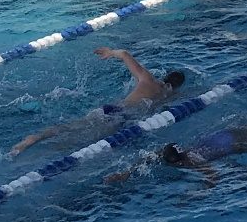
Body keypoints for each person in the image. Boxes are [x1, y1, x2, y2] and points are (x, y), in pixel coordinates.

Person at [11, 49, 186, 154]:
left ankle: (37, 137)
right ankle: (42, 152)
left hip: (110, 109)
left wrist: (111, 53)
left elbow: (124, 54)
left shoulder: (148, 80)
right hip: (120, 118)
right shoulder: (170, 96)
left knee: (71, 127)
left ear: (165, 77)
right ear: (176, 86)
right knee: (77, 142)